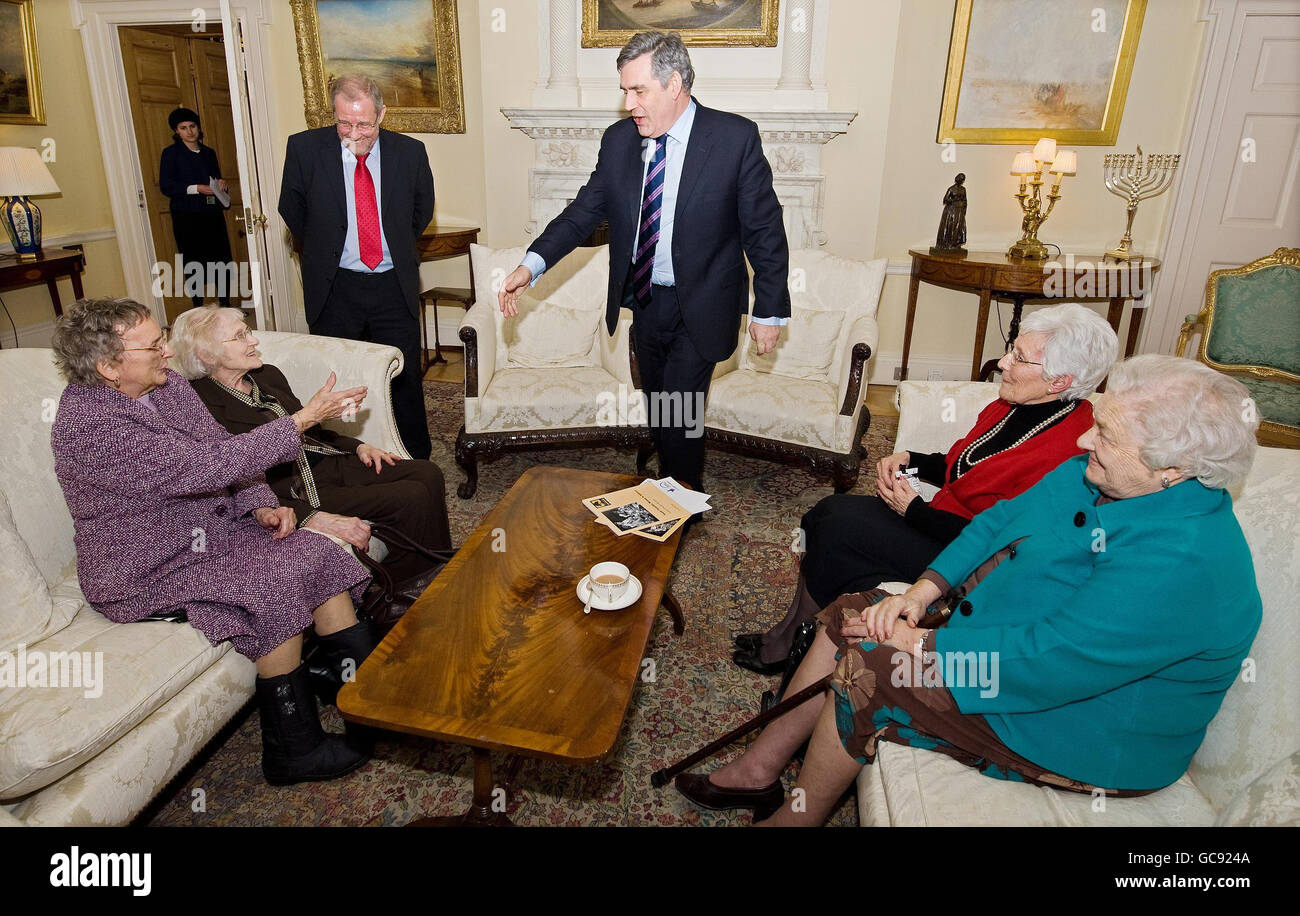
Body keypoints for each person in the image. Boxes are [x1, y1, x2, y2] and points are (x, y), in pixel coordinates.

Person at [676, 355, 1262, 825]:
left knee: (875, 666)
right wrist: (922, 592)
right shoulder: (1111, 475)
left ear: (1175, 470)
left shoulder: (1184, 564)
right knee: (860, 609)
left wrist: (922, 649)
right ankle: (761, 769)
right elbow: (997, 521)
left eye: (1107, 436)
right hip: (1011, 644)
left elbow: (1050, 663)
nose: (1085, 442)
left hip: (1079, 725)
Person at [50, 297, 377, 786]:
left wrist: (261, 502)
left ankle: (367, 699)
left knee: (319, 551)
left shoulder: (168, 385)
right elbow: (199, 469)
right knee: (273, 580)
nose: (166, 352)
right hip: (148, 566)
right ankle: (294, 751)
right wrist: (301, 420)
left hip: (212, 531)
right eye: (153, 345)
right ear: (107, 366)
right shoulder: (89, 427)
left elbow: (221, 451)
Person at [734, 303, 1118, 674]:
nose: (1002, 363)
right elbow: (964, 462)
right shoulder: (1016, 403)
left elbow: (1000, 540)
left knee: (837, 526)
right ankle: (794, 634)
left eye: (1018, 357)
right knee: (824, 515)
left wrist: (914, 511)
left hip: (963, 558)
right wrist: (910, 457)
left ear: (1059, 381)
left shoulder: (1069, 449)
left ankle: (792, 644)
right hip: (936, 520)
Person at [497, 31, 790, 493]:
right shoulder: (619, 142)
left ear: (674, 84)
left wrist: (769, 311)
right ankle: (674, 475)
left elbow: (765, 233)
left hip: (706, 302)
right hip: (647, 301)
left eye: (639, 91)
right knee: (661, 405)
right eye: (625, 91)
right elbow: (581, 213)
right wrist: (529, 265)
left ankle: (680, 497)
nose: (630, 103)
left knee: (677, 406)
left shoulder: (734, 139)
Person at [172, 304, 452, 584]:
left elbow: (312, 430)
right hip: (297, 488)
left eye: (248, 332)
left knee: (428, 472)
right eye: (240, 336)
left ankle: (440, 568)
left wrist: (357, 447)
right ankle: (411, 588)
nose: (254, 341)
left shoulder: (267, 375)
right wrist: (307, 517)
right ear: (206, 355)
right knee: (410, 496)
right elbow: (228, 481)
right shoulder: (199, 405)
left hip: (328, 460)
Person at [278, 74, 435, 459]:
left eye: (364, 123)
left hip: (390, 284)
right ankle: (344, 455)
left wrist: (388, 246)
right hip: (335, 286)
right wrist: (326, 247)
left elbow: (421, 211)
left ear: (382, 113)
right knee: (338, 375)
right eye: (343, 122)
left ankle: (414, 456)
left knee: (402, 376)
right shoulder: (304, 148)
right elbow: (292, 209)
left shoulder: (410, 152)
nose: (353, 132)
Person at [158, 107, 233, 308]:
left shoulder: (209, 153)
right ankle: (198, 307)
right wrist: (196, 188)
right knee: (194, 263)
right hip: (187, 217)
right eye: (184, 128)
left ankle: (225, 304)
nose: (190, 131)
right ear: (177, 131)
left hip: (212, 214)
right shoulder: (171, 154)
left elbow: (214, 178)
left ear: (198, 128)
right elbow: (167, 186)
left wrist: (221, 183)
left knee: (221, 260)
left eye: (192, 126)